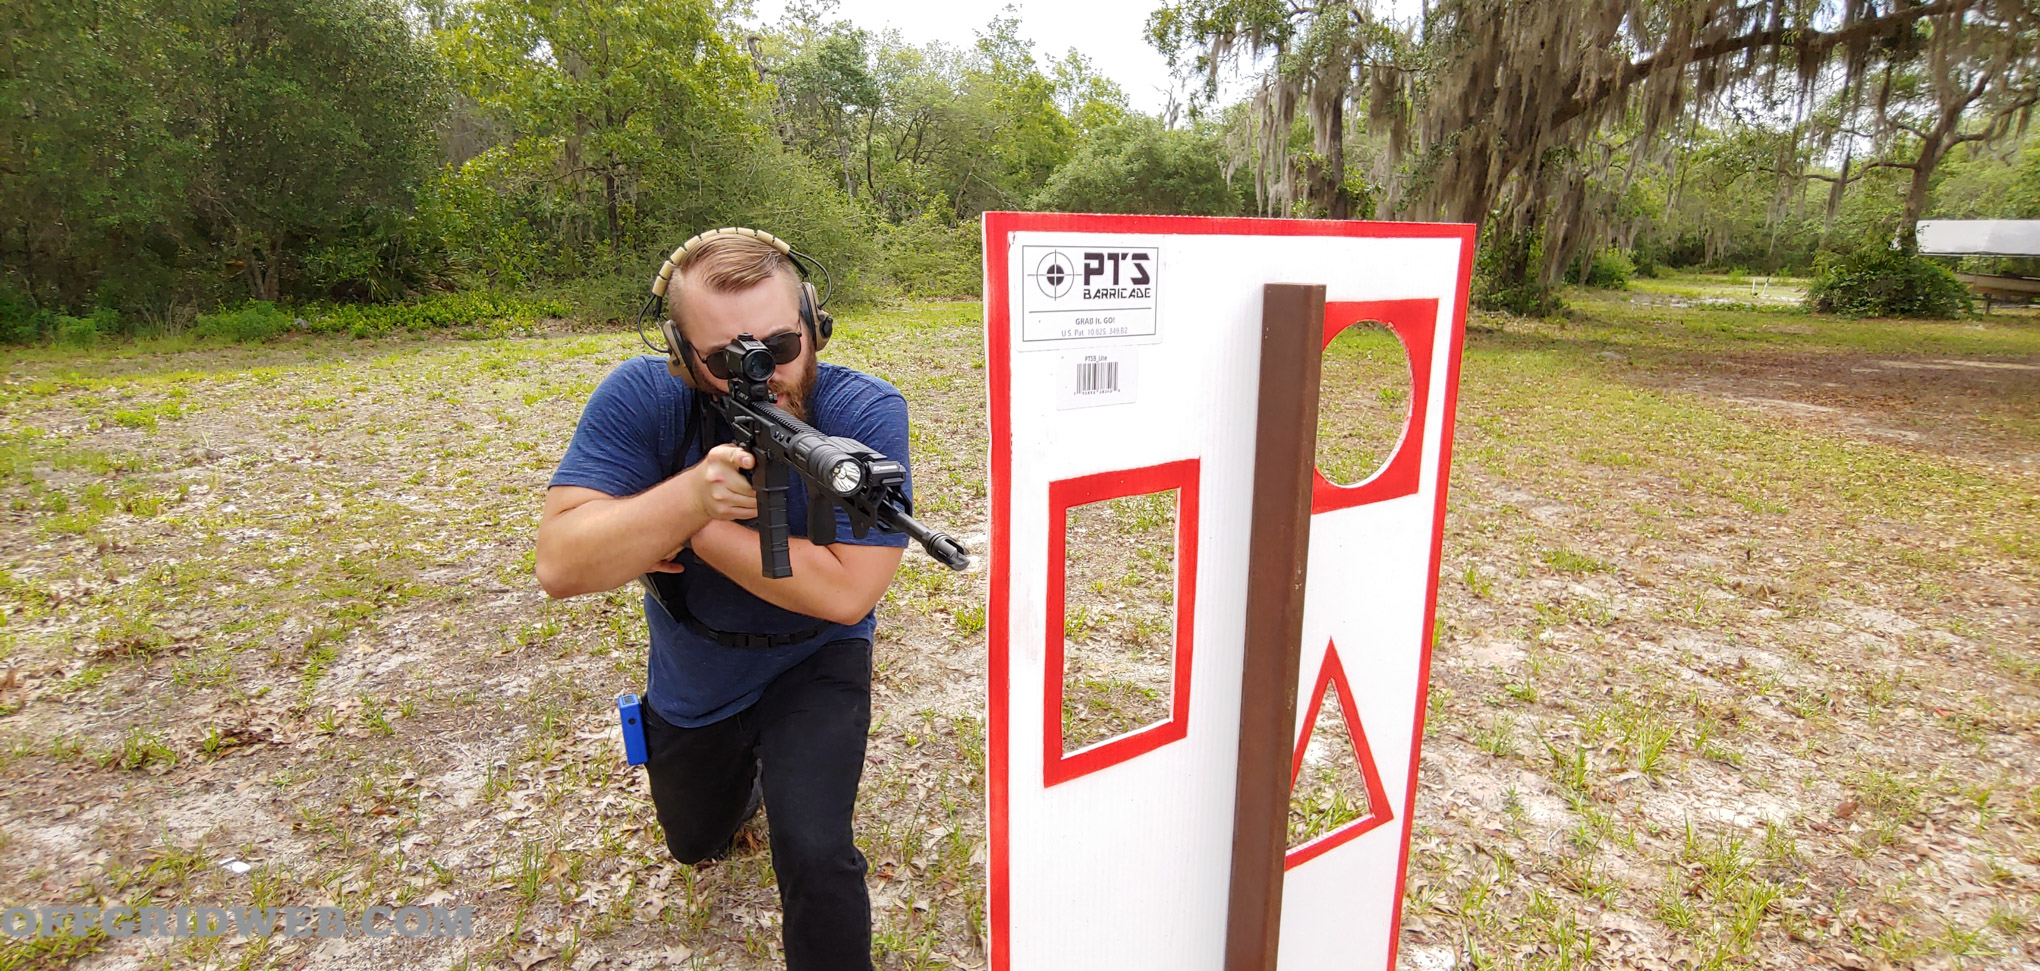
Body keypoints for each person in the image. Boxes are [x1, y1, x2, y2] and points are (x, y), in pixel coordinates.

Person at [535, 229, 910, 969]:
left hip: (816, 655)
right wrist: (689, 496)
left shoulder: (864, 411)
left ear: (814, 321)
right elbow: (559, 561)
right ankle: (746, 781)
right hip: (697, 661)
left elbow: (844, 592)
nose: (763, 374)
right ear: (681, 354)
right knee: (694, 841)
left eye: (781, 344)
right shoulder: (645, 397)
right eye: (725, 360)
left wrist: (689, 529)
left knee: (816, 847)